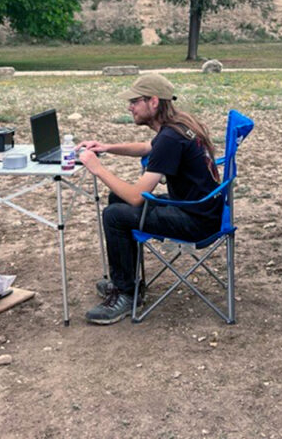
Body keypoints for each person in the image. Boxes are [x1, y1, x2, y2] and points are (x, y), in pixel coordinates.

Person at [77, 74, 223, 325]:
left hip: (196, 221)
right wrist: (107, 147)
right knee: (116, 197)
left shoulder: (169, 138)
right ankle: (128, 281)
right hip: (204, 208)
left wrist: (97, 168)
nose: (129, 107)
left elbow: (135, 197)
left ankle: (126, 294)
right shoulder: (179, 124)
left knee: (115, 215)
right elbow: (147, 147)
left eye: (135, 101)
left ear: (153, 101)